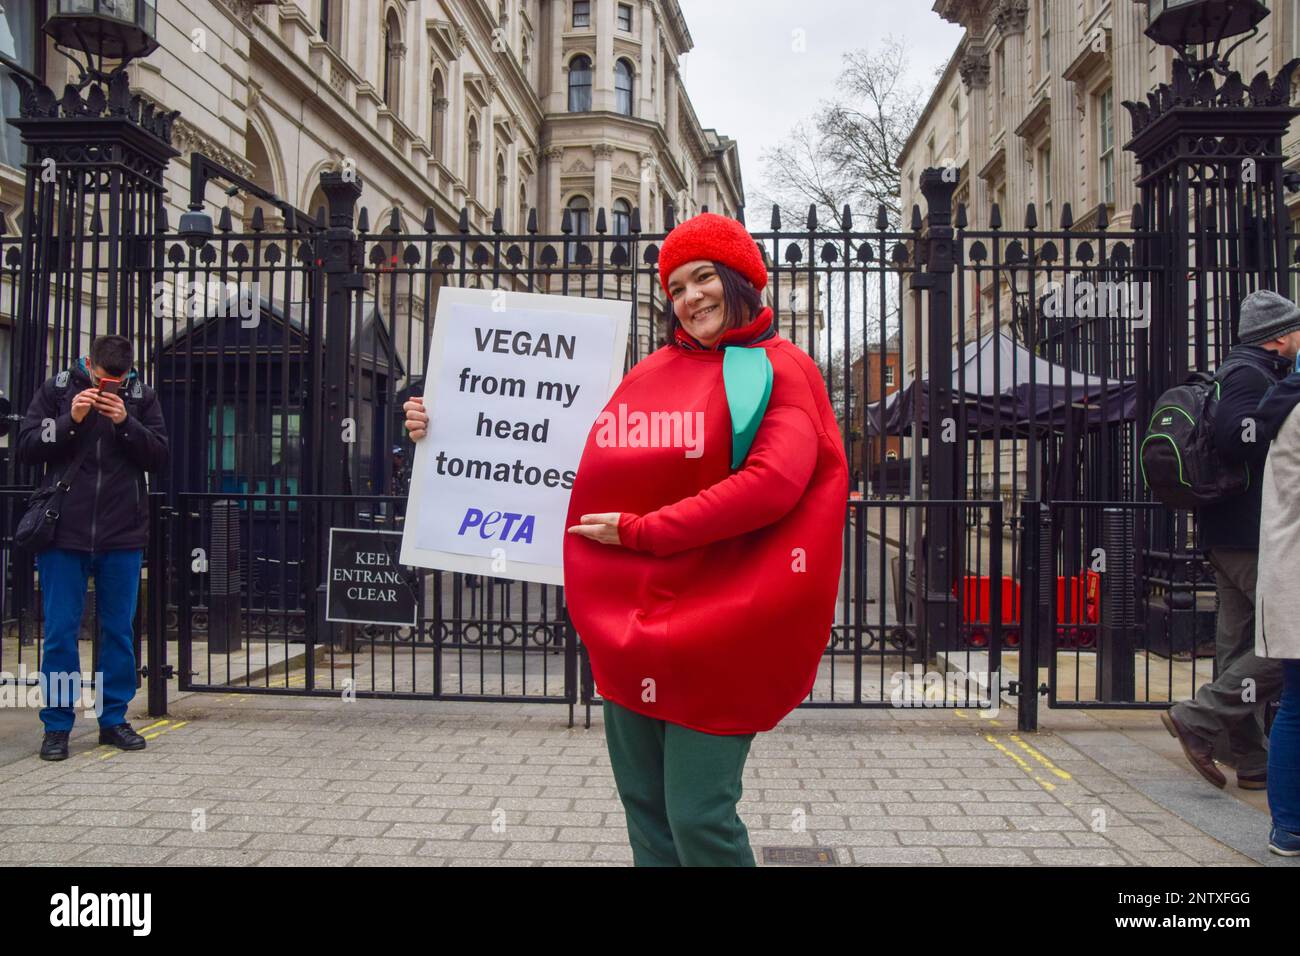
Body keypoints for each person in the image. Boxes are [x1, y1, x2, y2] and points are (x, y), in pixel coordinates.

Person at [1163, 290, 1300, 789]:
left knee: (1237, 643)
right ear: (1279, 336)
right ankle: (1198, 718)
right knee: (1284, 642)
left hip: (1227, 531)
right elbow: (1232, 435)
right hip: (1248, 533)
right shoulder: (1250, 374)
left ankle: (1248, 756)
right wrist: (1275, 422)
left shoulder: (1244, 371)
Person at [17, 335, 169, 761]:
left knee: (118, 632)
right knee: (61, 633)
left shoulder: (141, 397)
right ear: (89, 365)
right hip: (64, 532)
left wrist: (126, 422)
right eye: (104, 383)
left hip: (122, 533)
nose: (110, 391)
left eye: (117, 385)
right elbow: (27, 447)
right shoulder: (58, 389)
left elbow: (160, 457)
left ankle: (113, 719)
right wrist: (71, 419)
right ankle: (58, 725)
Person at [1248, 364, 1300, 854]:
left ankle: (1288, 827)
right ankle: (1288, 826)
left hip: (1290, 580)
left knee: (1295, 703)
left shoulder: (1285, 406)